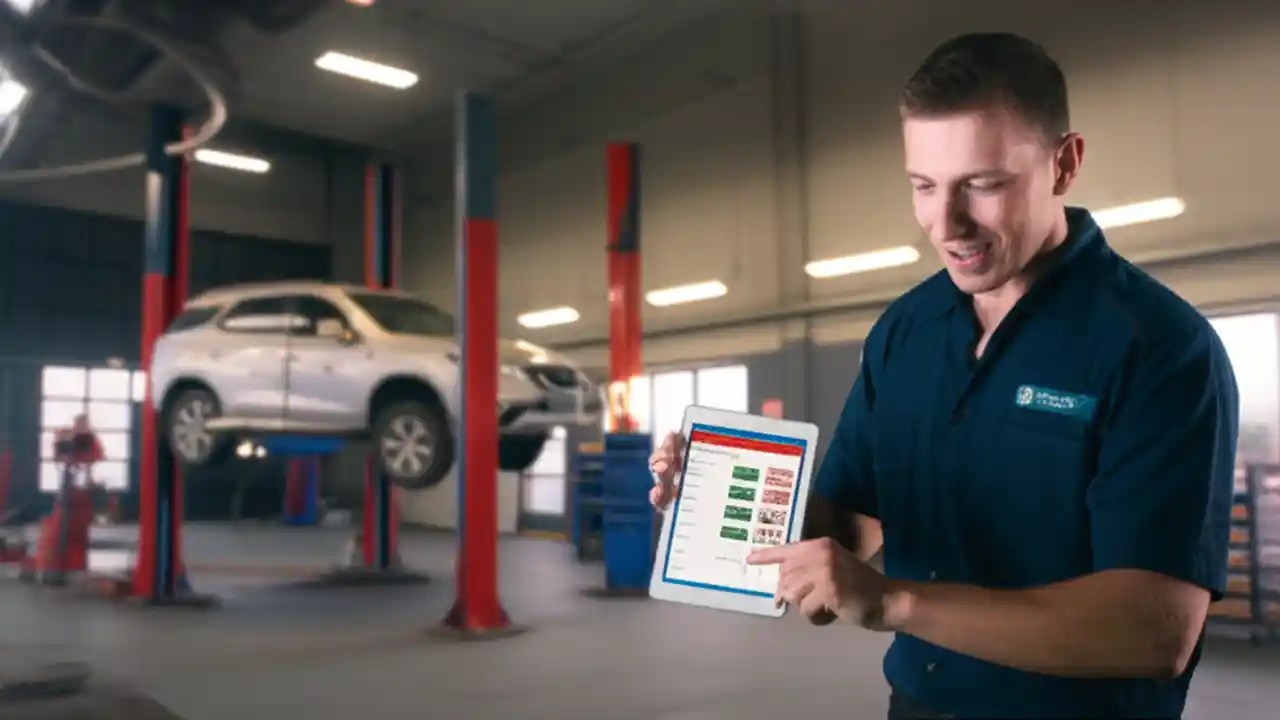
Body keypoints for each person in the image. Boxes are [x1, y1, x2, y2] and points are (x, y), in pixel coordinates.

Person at [650, 32, 1237, 720]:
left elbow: (1155, 629)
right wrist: (731, 504)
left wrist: (895, 602)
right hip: (918, 704)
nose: (947, 223)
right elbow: (854, 520)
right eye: (923, 186)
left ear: (1065, 163)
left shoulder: (1160, 347)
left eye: (983, 185)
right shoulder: (907, 330)